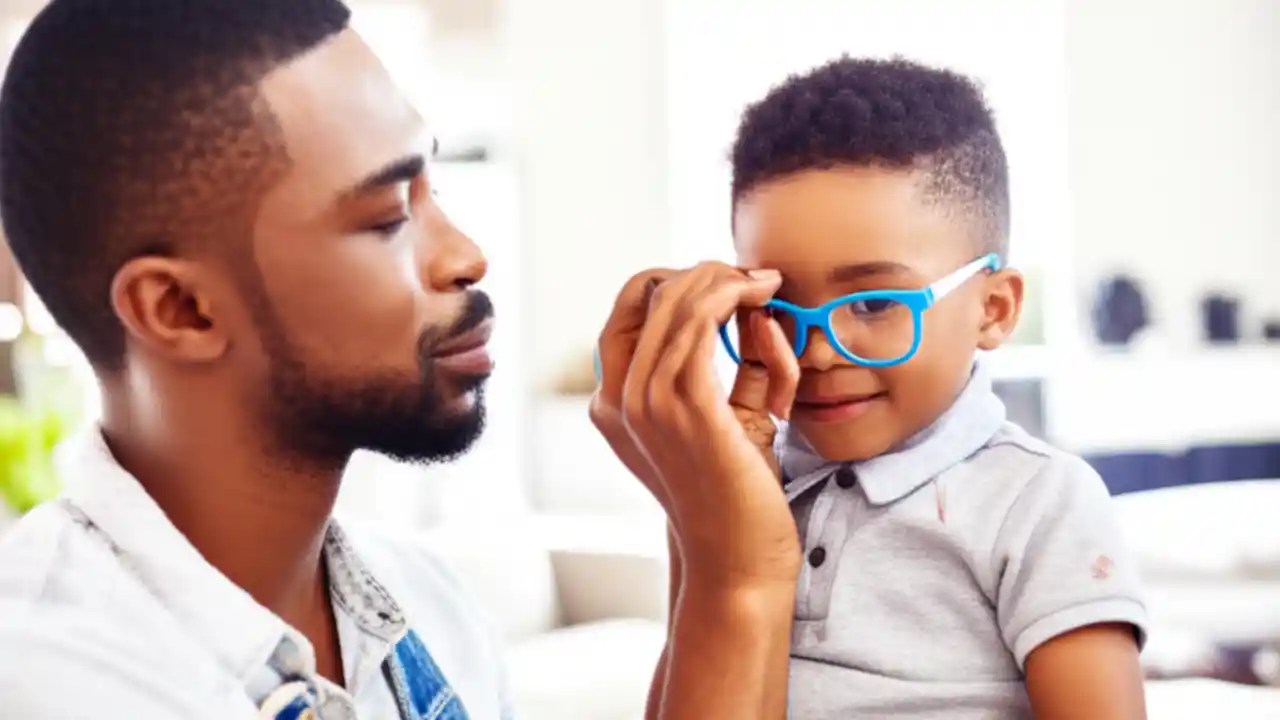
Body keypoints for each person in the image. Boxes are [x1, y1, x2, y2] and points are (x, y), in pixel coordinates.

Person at [0, 2, 790, 718]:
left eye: (431, 190)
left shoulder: (430, 606)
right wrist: (733, 580)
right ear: (181, 310)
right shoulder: (47, 682)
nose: (465, 256)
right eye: (385, 218)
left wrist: (704, 539)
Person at [594, 58, 1149, 718]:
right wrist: (694, 519)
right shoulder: (743, 481)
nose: (819, 352)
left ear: (994, 309)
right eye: (775, 308)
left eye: (874, 304)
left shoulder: (1037, 500)